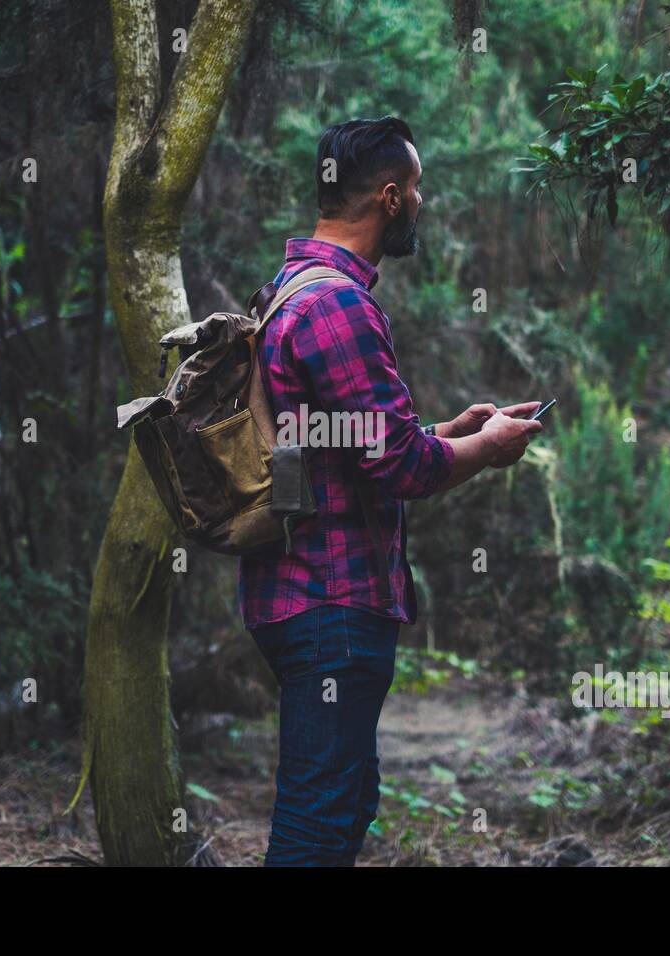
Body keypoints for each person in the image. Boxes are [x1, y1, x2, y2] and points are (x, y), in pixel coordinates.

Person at [238, 115, 544, 866]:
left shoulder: (290, 289)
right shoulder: (338, 305)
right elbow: (403, 468)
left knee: (345, 805)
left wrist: (448, 427)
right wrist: (486, 448)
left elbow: (349, 446)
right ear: (387, 197)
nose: (422, 203)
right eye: (417, 190)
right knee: (316, 823)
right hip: (331, 604)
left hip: (298, 598)